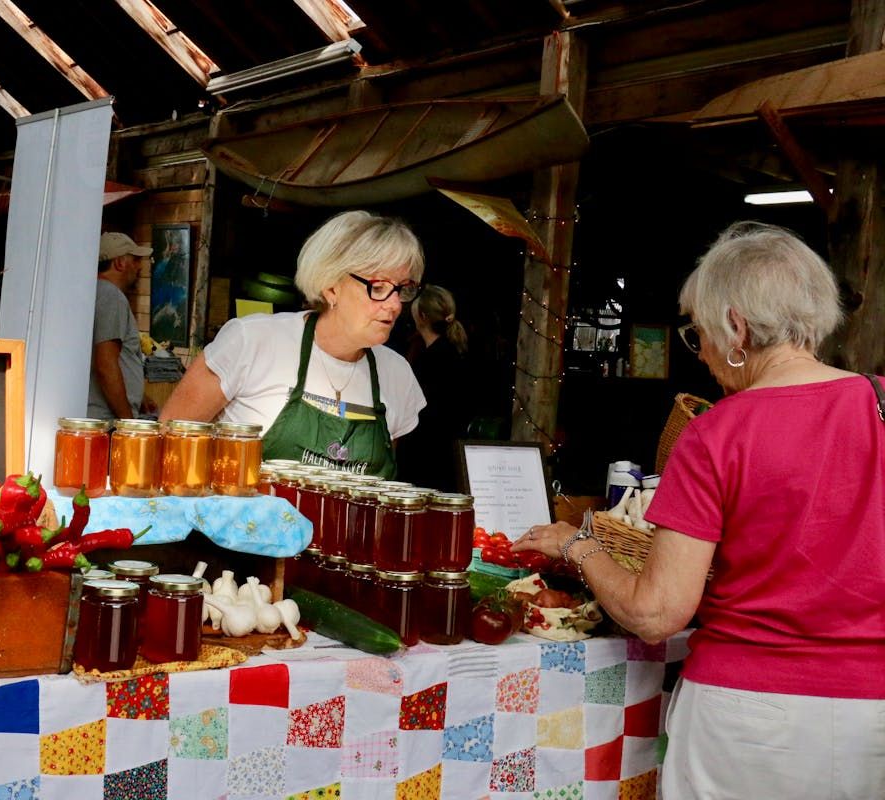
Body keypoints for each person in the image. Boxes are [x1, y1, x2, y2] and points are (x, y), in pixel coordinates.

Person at [512, 222, 885, 799]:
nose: (704, 354)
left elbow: (658, 613)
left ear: (736, 326)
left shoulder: (718, 433)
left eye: (700, 333)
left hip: (748, 722)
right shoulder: (881, 405)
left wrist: (577, 546)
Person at [159, 210, 426, 477]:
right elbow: (168, 445)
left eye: (402, 290)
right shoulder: (252, 341)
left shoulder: (396, 375)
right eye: (378, 288)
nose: (395, 305)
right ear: (332, 287)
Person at [396, 285, 471, 491]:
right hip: (446, 456)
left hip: (427, 458)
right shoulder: (455, 352)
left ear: (421, 316)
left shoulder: (431, 360)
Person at [87, 231, 151, 420]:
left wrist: (139, 396)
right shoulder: (111, 296)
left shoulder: (95, 291)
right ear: (120, 263)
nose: (140, 267)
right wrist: (127, 422)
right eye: (135, 260)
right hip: (105, 418)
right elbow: (106, 363)